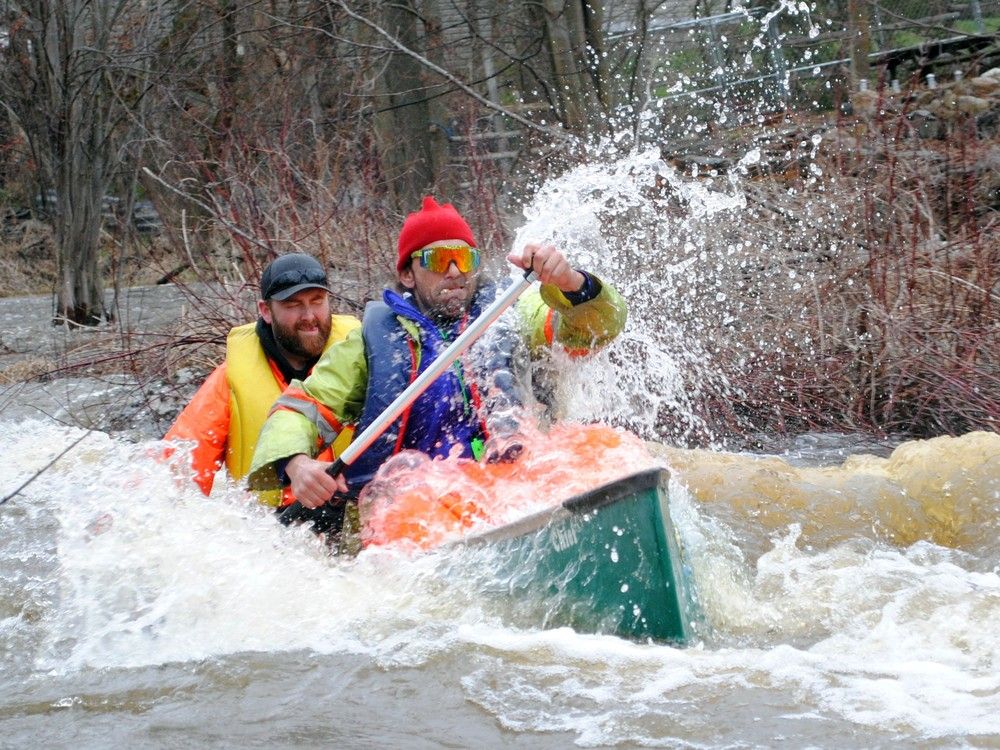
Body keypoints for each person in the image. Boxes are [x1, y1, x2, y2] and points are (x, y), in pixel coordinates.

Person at [247, 196, 627, 514]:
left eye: (464, 260)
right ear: (408, 274)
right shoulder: (369, 345)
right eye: (437, 259)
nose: (453, 272)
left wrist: (572, 284)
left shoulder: (512, 316)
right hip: (420, 509)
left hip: (513, 488)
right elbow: (298, 409)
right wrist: (296, 464)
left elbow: (591, 332)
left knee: (606, 449)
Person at [164, 253, 359, 507]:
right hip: (273, 529)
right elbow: (175, 473)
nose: (309, 316)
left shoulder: (360, 357)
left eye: (317, 301)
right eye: (292, 304)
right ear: (266, 311)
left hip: (350, 513)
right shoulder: (230, 380)